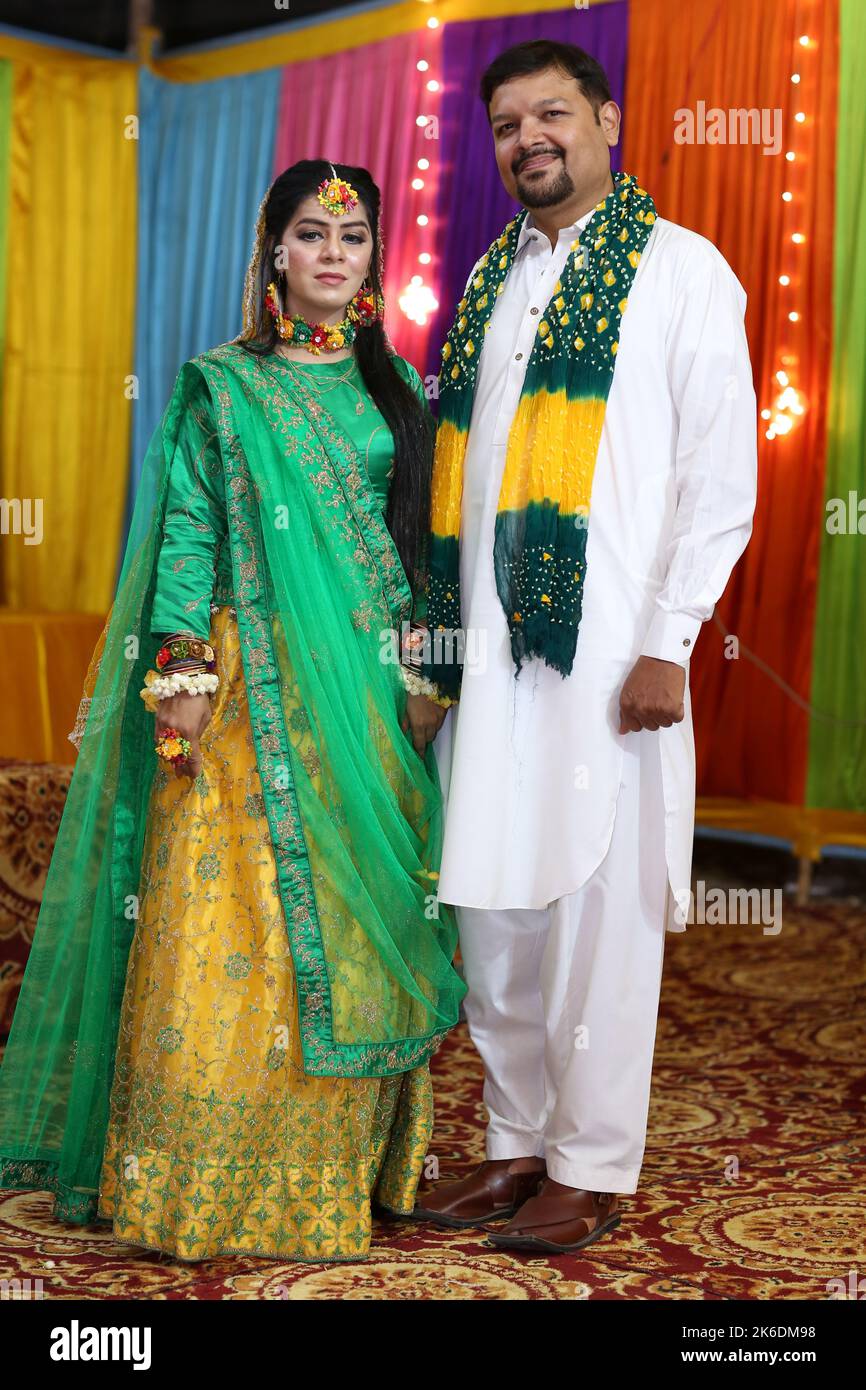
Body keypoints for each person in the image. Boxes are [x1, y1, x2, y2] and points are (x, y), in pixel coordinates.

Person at [0, 159, 466, 1263]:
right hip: (246, 687)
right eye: (310, 234)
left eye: (351, 239)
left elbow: (415, 550)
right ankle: (205, 1181)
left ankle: (346, 1173)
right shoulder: (222, 386)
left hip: (363, 699)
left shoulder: (395, 387)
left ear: (370, 258)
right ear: (274, 255)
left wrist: (424, 675)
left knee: (363, 920)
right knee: (230, 924)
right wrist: (182, 676)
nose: (332, 255)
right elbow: (190, 533)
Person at [411, 41, 758, 1253]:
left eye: (549, 113)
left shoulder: (678, 271)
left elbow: (718, 480)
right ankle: (515, 1145)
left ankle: (591, 1160)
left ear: (605, 118)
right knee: (494, 907)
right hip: (489, 662)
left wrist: (669, 637)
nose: (526, 139)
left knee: (593, 909)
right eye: (505, 124)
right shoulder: (489, 286)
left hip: (610, 657)